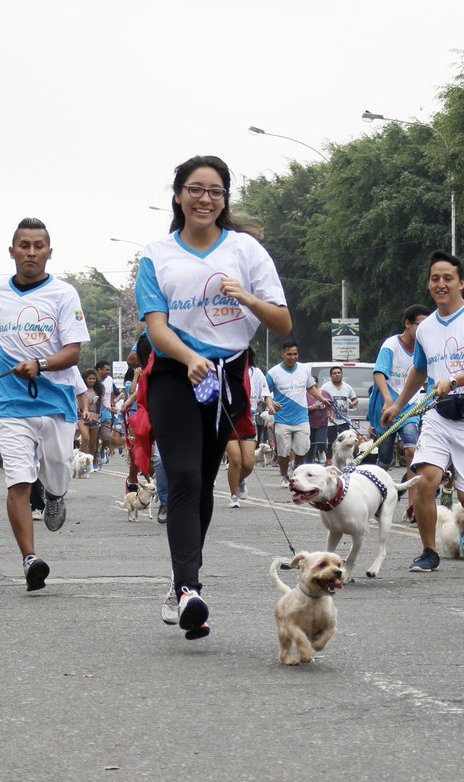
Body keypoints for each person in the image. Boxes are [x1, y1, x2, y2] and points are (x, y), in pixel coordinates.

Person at [135, 154, 290, 639]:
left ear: (224, 199)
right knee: (180, 474)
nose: (205, 199)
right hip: (175, 376)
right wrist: (187, 357)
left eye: (216, 191)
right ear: (178, 195)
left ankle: (182, 582)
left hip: (228, 378)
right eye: (196, 189)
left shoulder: (245, 250)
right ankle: (188, 590)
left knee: (202, 480)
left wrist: (246, 297)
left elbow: (282, 322)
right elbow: (156, 328)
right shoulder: (156, 255)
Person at [0, 217, 89, 593]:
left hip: (55, 402)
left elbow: (74, 351)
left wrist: (41, 364)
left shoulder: (64, 294)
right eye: (23, 245)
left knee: (57, 470)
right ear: (12, 251)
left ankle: (57, 495)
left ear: (49, 252)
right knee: (19, 481)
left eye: (38, 246)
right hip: (10, 403)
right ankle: (30, 559)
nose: (31, 252)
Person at [381, 251, 464, 573]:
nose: (441, 284)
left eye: (448, 278)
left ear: (461, 282)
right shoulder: (426, 328)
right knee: (424, 480)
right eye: (435, 278)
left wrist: (455, 379)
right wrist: (397, 405)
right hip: (438, 416)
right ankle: (428, 551)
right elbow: (419, 371)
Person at [368, 305, 431, 473]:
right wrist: (388, 400)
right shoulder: (391, 345)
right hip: (387, 407)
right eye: (420, 325)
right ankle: (382, 492)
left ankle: (413, 498)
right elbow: (379, 373)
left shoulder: (426, 347)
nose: (423, 330)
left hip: (410, 406)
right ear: (407, 324)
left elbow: (426, 378)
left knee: (412, 450)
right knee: (385, 460)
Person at [266, 339, 326, 486]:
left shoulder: (304, 369)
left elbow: (310, 387)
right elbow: (265, 392)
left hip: (302, 418)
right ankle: (284, 476)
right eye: (289, 354)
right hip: (282, 419)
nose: (292, 357)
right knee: (283, 452)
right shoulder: (273, 373)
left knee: (302, 449)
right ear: (282, 354)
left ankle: (297, 470)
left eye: (295, 354)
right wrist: (271, 404)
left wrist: (322, 399)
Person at [225, 351, 269, 507]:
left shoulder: (255, 372)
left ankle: (240, 480)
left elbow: (266, 393)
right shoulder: (223, 369)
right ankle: (233, 496)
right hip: (228, 421)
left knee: (249, 464)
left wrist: (270, 406)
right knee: (235, 459)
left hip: (247, 421)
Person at [321, 365, 358, 460]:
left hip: (344, 419)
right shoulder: (325, 387)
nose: (337, 375)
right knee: (331, 442)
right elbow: (321, 401)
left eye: (339, 373)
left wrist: (353, 404)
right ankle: (329, 460)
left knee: (347, 441)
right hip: (331, 420)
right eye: (334, 373)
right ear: (331, 375)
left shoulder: (347, 387)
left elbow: (355, 399)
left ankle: (347, 459)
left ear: (342, 374)